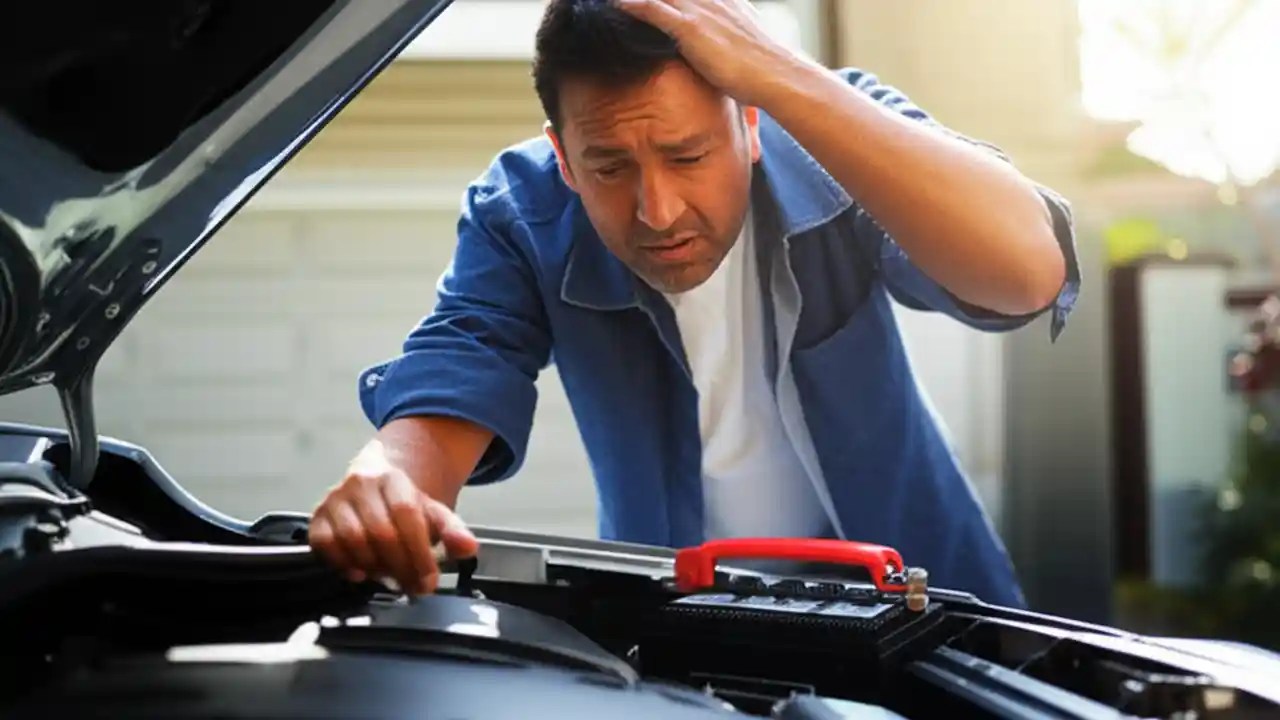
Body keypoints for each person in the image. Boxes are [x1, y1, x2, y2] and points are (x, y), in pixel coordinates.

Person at [308, 0, 1080, 607]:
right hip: (676, 633)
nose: (658, 210)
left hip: (923, 609)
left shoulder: (831, 135)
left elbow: (1027, 274)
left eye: (687, 156)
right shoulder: (523, 209)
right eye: (608, 167)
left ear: (748, 122)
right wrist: (391, 484)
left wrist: (776, 72)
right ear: (565, 156)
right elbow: (462, 356)